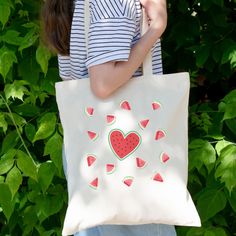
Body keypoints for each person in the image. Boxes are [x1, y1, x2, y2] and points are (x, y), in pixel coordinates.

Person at [42, 0, 177, 235]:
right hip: (127, 152)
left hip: (88, 147)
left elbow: (71, 77)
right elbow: (103, 83)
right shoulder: (115, 2)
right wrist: (157, 28)